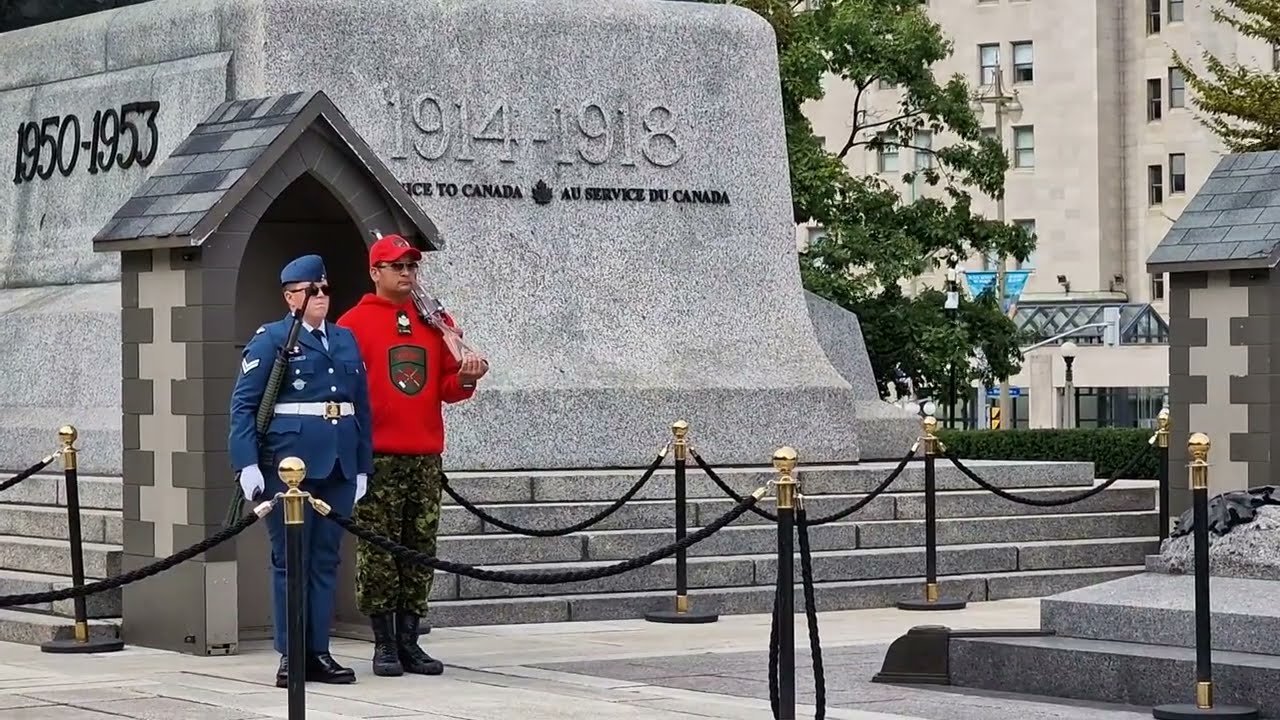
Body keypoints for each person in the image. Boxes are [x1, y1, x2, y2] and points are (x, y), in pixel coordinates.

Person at [336, 233, 488, 677]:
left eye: (411, 267)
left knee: (419, 548)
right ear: (375, 272)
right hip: (378, 455)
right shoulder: (353, 323)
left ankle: (410, 640)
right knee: (379, 552)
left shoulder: (434, 320)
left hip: (424, 454)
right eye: (396, 266)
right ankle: (383, 643)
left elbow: (445, 385)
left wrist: (467, 376)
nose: (406, 274)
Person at [228, 254, 373, 688]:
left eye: (325, 289)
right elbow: (245, 405)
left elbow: (360, 408)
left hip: (339, 463)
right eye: (312, 291)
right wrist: (247, 462)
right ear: (290, 296)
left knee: (326, 560)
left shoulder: (345, 340)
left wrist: (362, 465)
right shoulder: (271, 339)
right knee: (290, 560)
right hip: (288, 464)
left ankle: (318, 651)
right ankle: (291, 653)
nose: (322, 297)